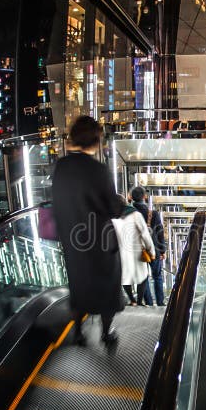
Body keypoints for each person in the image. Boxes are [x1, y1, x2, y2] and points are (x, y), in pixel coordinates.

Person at [52, 116, 125, 346]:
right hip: (100, 239)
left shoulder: (61, 167)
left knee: (78, 282)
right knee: (108, 284)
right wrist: (121, 202)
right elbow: (113, 208)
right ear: (95, 140)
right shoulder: (99, 170)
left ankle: (77, 332)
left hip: (72, 238)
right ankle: (106, 332)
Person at [112, 194, 155, 306]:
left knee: (125, 277)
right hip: (137, 251)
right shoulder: (135, 214)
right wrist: (151, 250)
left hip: (121, 253)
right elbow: (145, 234)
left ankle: (132, 300)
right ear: (125, 202)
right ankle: (139, 301)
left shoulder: (112, 218)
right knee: (143, 276)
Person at [129, 186, 167, 306]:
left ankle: (149, 302)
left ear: (132, 198)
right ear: (145, 197)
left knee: (143, 277)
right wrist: (162, 250)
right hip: (153, 249)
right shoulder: (153, 214)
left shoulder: (129, 214)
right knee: (157, 276)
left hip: (137, 250)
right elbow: (160, 233)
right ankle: (160, 302)